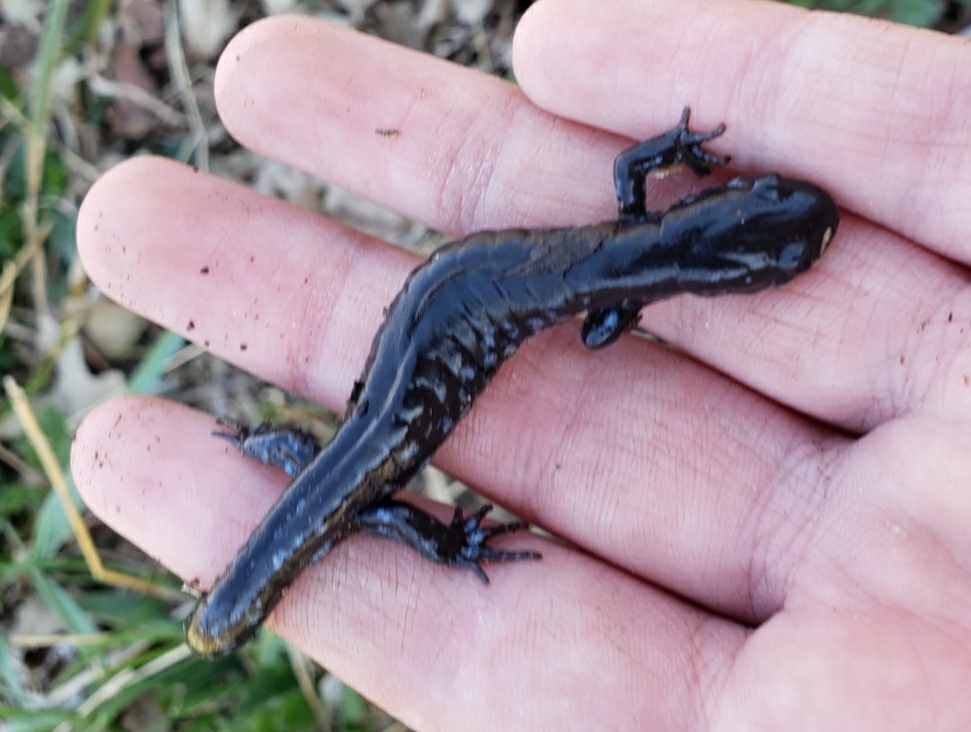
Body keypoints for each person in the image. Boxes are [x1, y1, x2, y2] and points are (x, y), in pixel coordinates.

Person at [72, 1, 971, 728]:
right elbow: (597, 323)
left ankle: (249, 550)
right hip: (415, 367)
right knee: (362, 506)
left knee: (345, 494)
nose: (769, 199)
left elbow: (630, 183)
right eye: (769, 211)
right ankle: (332, 561)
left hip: (434, 320)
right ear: (733, 272)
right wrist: (458, 540)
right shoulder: (632, 288)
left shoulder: (637, 231)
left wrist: (675, 156)